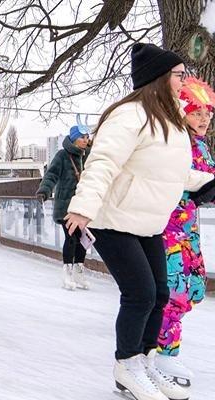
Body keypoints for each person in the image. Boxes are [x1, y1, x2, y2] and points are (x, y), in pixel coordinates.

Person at [65, 43, 214, 400]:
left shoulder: (172, 122)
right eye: (179, 75)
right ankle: (126, 364)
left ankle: (144, 361)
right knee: (140, 294)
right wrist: (83, 205)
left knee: (160, 294)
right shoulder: (129, 116)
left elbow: (173, 173)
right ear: (160, 78)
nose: (185, 81)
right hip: (112, 219)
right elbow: (102, 163)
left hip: (147, 222)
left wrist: (206, 183)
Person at [153, 77, 215, 394]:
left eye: (208, 112)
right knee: (174, 291)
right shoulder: (175, 141)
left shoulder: (201, 145)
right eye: (197, 111)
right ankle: (164, 354)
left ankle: (158, 350)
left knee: (191, 287)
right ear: (182, 112)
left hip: (188, 229)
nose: (204, 118)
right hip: (169, 229)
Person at [36, 121, 92, 290]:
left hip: (84, 205)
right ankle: (67, 271)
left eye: (87, 137)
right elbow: (51, 174)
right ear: (74, 139)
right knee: (71, 238)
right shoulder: (63, 155)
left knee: (84, 239)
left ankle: (79, 270)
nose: (85, 140)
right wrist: (44, 191)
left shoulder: (88, 155)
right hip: (67, 206)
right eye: (82, 137)